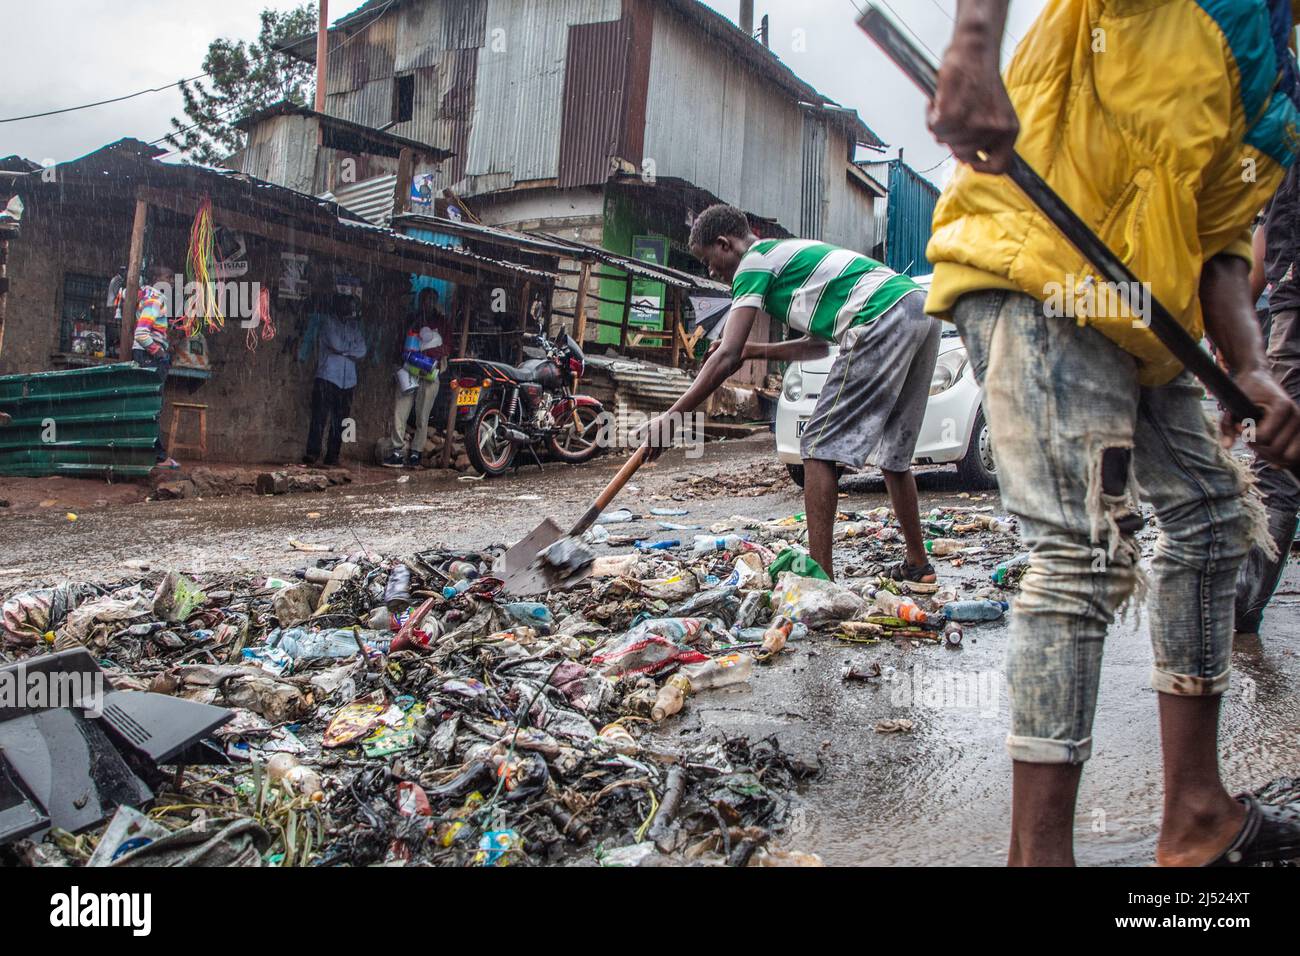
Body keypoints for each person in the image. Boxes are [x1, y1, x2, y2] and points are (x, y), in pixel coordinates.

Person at [925, 0, 1300, 866]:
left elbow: (1223, 248)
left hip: (1146, 314)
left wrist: (1249, 365)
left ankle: (1197, 816)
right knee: (1084, 549)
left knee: (1212, 517)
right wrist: (972, 47)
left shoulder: (1274, 90)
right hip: (1036, 267)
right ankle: (1039, 858)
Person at [641, 204, 940, 583]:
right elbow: (815, 348)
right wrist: (753, 350)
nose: (711, 272)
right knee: (895, 454)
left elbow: (726, 355)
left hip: (881, 313)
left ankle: (819, 581)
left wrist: (672, 417)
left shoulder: (754, 262)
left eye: (709, 261)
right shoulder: (786, 257)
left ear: (724, 243)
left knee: (815, 446)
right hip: (918, 308)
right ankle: (919, 565)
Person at [1236, 163, 1300, 638]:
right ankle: (1239, 608)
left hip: (1294, 309)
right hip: (1287, 302)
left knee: (1275, 460)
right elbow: (1265, 230)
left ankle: (1240, 610)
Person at [304, 293, 367, 467]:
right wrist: (349, 350)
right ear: (339, 306)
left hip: (348, 381)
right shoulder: (328, 322)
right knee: (319, 417)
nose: (351, 310)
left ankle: (333, 456)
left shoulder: (355, 327)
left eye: (352, 306)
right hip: (327, 377)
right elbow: (337, 344)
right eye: (348, 306)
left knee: (340, 420)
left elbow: (362, 350)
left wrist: (345, 352)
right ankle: (312, 453)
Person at [128, 264, 178, 469]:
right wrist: (160, 353)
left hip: (145, 355)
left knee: (147, 405)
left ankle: (150, 455)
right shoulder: (155, 299)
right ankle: (158, 457)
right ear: (158, 279)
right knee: (153, 406)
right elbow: (141, 334)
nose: (172, 281)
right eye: (169, 277)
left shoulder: (147, 297)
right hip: (150, 357)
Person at [385, 323, 444, 469]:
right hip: (409, 372)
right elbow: (400, 348)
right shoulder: (411, 323)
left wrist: (428, 357)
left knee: (422, 415)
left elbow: (445, 351)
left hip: (429, 376)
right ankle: (397, 451)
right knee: (400, 412)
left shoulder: (441, 324)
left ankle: (415, 453)